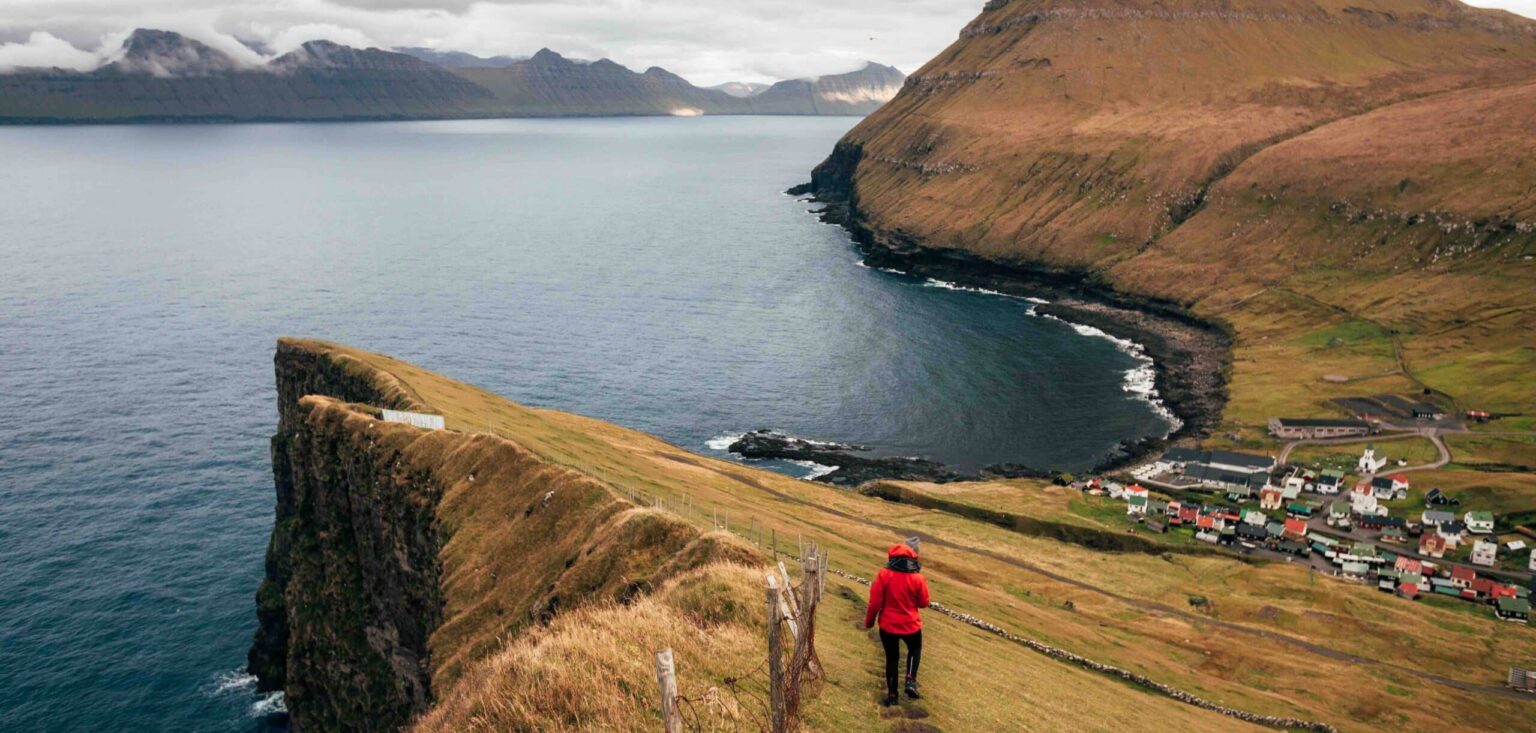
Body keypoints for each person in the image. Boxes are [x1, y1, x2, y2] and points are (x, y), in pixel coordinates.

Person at [862, 540, 930, 706]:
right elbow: (924, 602)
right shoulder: (918, 578)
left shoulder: (884, 574)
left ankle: (892, 696)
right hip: (911, 624)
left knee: (892, 659)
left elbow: (875, 602)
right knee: (915, 649)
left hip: (888, 625)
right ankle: (910, 680)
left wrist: (869, 622)